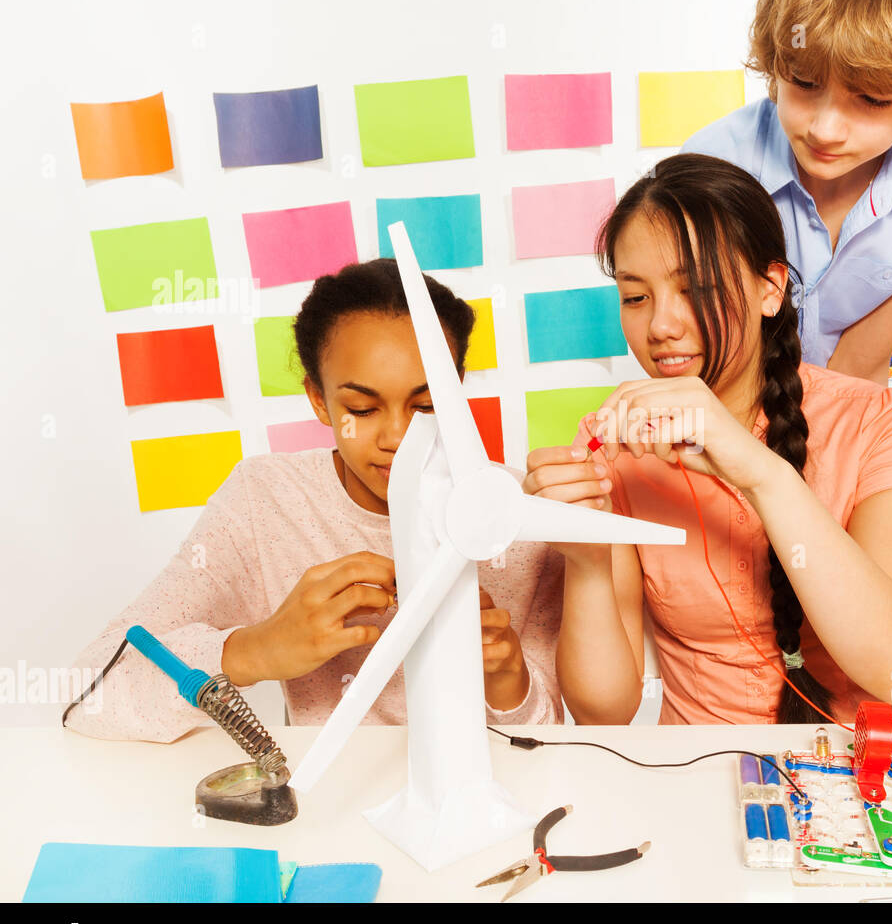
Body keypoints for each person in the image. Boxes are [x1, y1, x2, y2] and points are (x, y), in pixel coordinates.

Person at [65, 259, 563, 741]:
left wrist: (507, 679)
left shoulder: (516, 512)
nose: (398, 436)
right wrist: (255, 651)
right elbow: (88, 692)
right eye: (362, 409)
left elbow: (558, 746)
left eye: (428, 406)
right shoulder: (266, 501)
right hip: (322, 812)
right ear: (320, 400)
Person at [523, 153, 892, 725]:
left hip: (860, 775)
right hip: (696, 772)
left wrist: (758, 470)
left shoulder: (873, 421)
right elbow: (603, 711)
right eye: (635, 296)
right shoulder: (615, 443)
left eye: (695, 288)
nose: (661, 325)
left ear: (770, 289)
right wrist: (588, 559)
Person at [683, 0, 892, 384]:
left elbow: (858, 371)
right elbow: (695, 349)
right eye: (805, 83)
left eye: (871, 99)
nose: (824, 130)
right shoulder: (710, 164)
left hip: (848, 421)